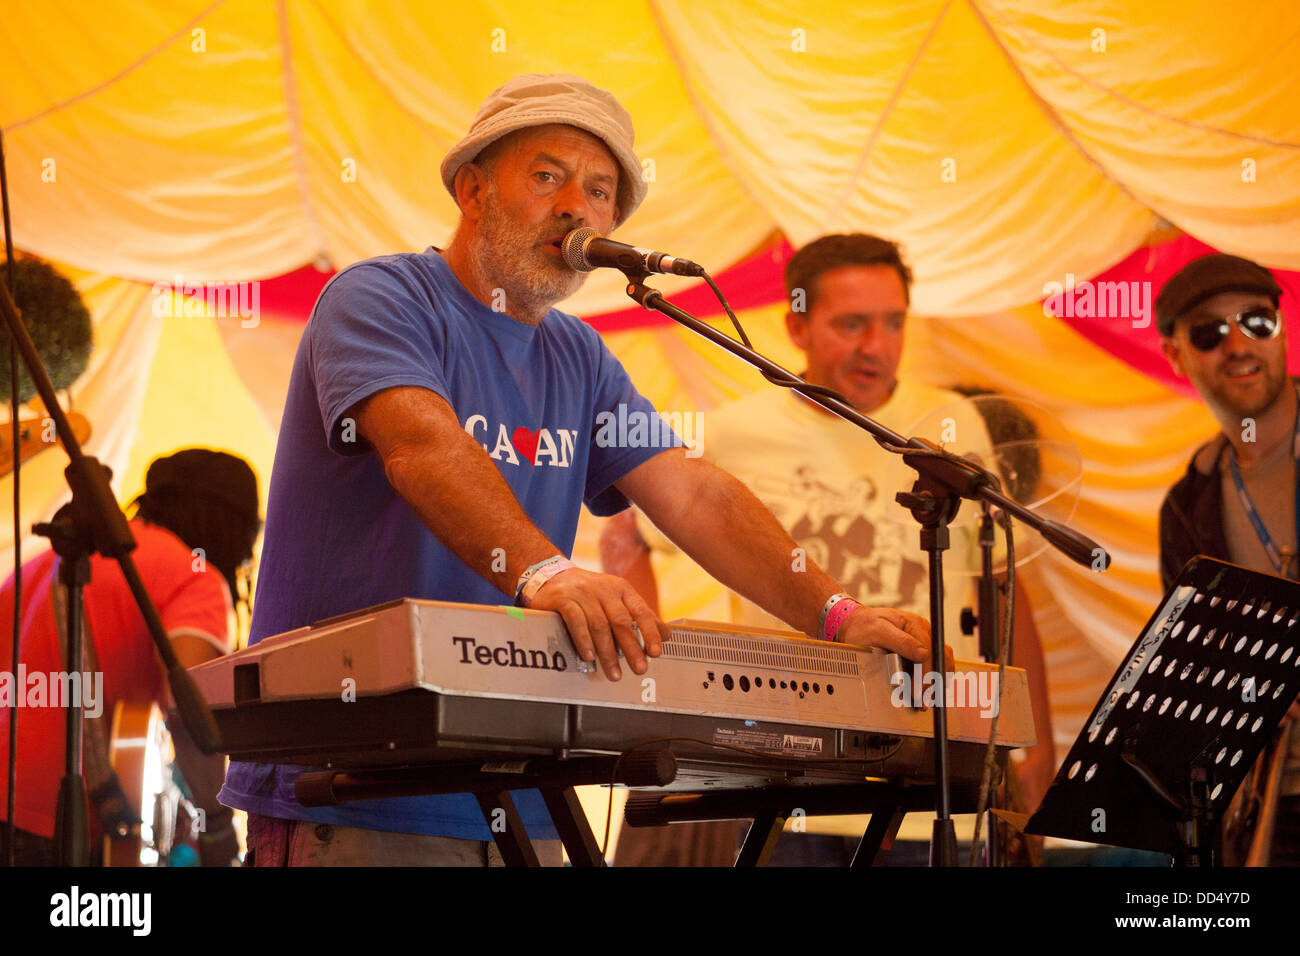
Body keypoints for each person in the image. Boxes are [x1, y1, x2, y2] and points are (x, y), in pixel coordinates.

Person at [219, 74, 934, 867]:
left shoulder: (580, 357)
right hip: (352, 788)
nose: (578, 208)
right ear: (473, 189)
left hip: (525, 803)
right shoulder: (381, 298)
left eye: (600, 192)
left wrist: (835, 616)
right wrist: (549, 574)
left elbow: (692, 493)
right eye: (549, 175)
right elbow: (421, 445)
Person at [603, 234, 1056, 865]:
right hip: (785, 786)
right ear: (796, 324)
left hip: (938, 784)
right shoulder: (735, 433)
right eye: (851, 324)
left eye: (892, 323)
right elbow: (627, 537)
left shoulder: (952, 426)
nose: (876, 345)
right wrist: (652, 700)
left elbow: (1003, 588)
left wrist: (1037, 756)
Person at [0, 448, 259, 865]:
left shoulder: (39, 564)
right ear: (231, 526)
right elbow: (189, 711)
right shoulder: (193, 576)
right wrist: (217, 824)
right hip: (65, 830)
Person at [1157, 252, 1300, 865]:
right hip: (1272, 805)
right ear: (1175, 355)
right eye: (1209, 333)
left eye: (1257, 322)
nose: (1238, 344)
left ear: (1284, 329)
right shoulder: (1187, 504)